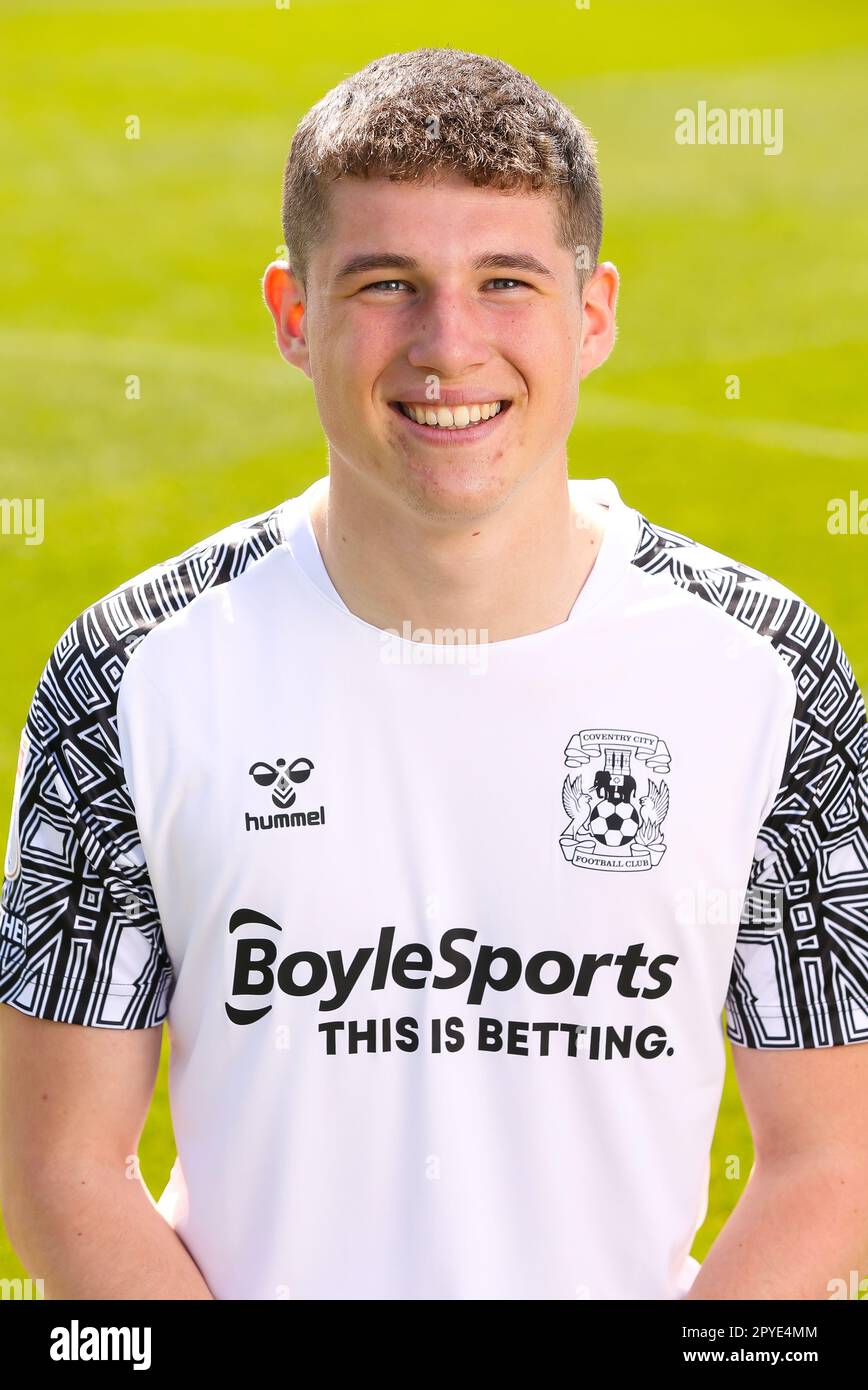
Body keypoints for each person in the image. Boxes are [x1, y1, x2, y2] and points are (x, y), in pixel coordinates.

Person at [1, 46, 867, 1302]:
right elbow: (62, 1169)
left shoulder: (768, 668)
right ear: (294, 315)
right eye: (386, 283)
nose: (447, 347)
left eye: (505, 281)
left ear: (593, 312)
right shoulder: (129, 670)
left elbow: (830, 1158)